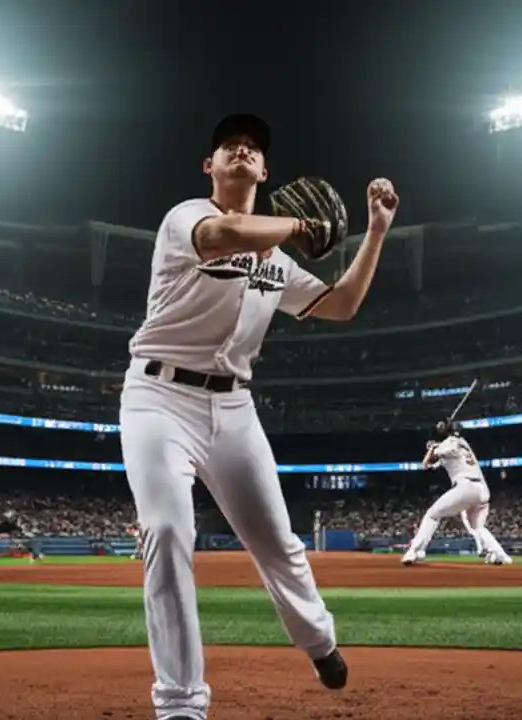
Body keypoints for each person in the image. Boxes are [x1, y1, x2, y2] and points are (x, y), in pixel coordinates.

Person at [119, 112, 398, 720]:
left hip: (234, 407)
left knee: (277, 541)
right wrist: (300, 225)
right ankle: (181, 704)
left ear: (265, 170)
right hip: (157, 399)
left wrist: (375, 232)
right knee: (167, 532)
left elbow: (342, 304)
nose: (241, 149)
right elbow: (223, 236)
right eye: (228, 145)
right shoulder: (186, 219)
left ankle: (319, 639)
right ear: (209, 167)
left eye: (252, 148)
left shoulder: (278, 262)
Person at [401, 421, 512, 566]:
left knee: (432, 515)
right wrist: (437, 445)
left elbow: (425, 463)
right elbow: (434, 464)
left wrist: (432, 447)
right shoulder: (463, 443)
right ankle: (500, 555)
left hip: (465, 487)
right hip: (482, 489)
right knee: (478, 527)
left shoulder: (448, 443)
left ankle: (414, 551)